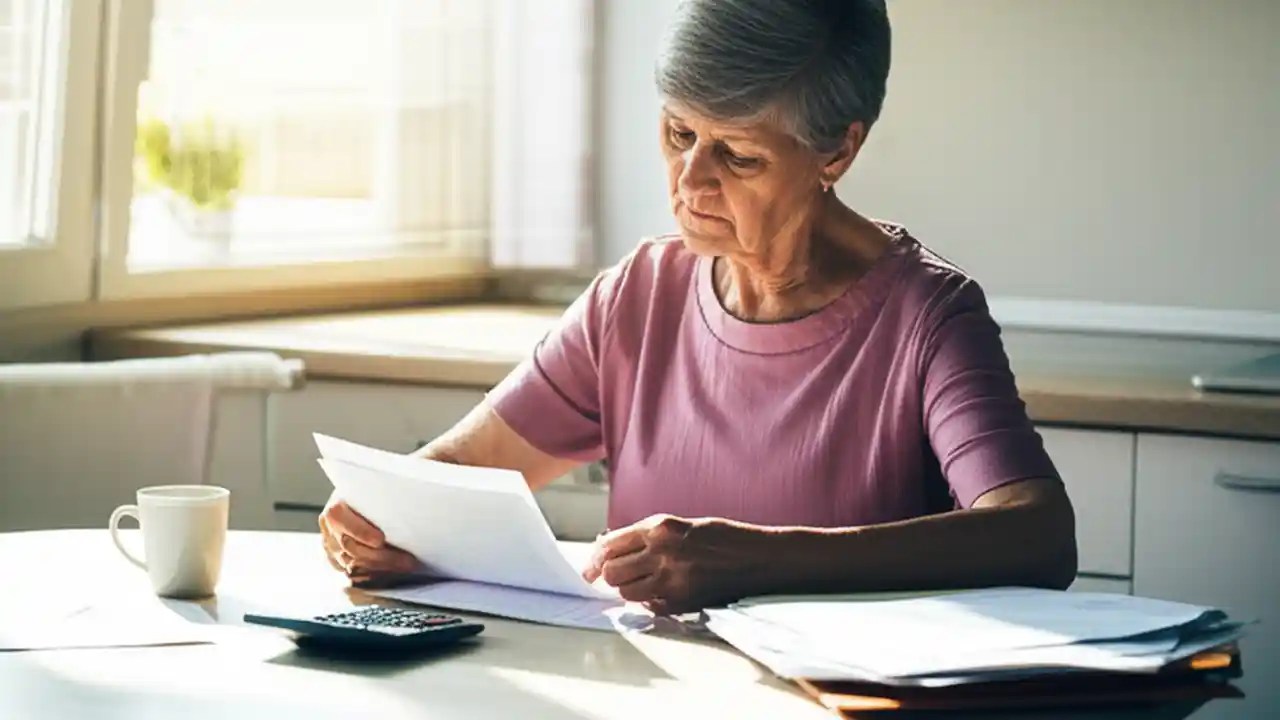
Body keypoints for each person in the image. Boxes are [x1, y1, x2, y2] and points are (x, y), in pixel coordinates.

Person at [320, 0, 1076, 615]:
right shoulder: (638, 295)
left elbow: (1037, 536)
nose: (690, 181)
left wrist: (756, 559)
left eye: (738, 155)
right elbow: (461, 469)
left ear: (838, 153)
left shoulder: (927, 315)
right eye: (679, 132)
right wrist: (378, 516)